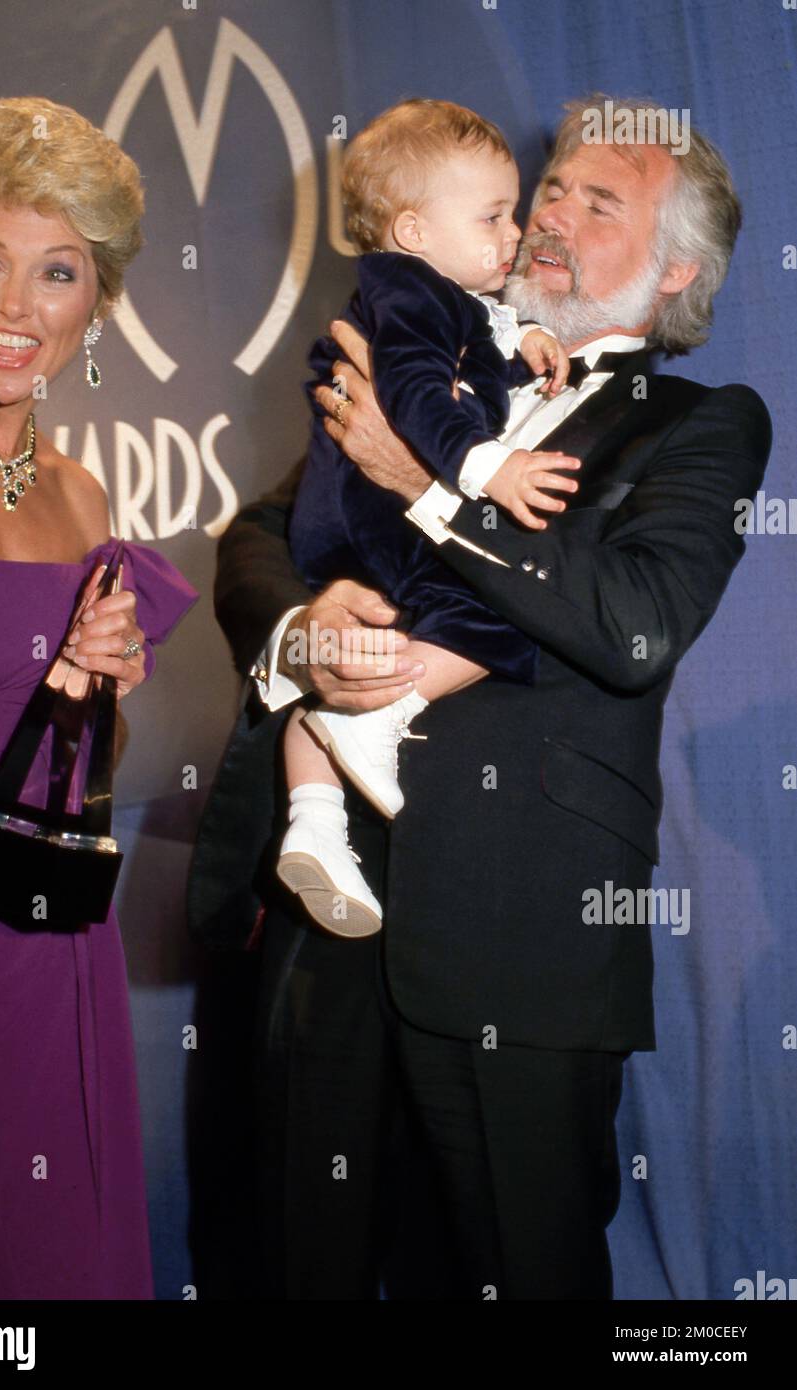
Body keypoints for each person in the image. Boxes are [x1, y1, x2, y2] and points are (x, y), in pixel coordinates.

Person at [189, 94, 772, 1301]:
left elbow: (628, 625)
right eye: (547, 187)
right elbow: (256, 535)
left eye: (593, 201)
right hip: (329, 917)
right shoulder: (436, 353)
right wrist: (305, 627)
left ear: (674, 272)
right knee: (302, 1263)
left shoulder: (700, 429)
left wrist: (429, 488)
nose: (550, 211)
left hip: (523, 944)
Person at [0, 96, 197, 1299]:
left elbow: (81, 746)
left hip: (48, 926)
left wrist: (96, 679)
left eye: (56, 273)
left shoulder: (81, 495)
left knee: (55, 1238)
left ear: (98, 299)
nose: (16, 309)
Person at [279, 98, 581, 939]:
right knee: (494, 612)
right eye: (491, 215)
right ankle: (379, 713)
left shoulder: (436, 296)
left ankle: (314, 822)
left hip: (348, 524)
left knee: (325, 686)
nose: (515, 231)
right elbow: (412, 393)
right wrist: (491, 465)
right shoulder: (408, 293)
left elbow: (461, 355)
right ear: (411, 231)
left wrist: (518, 340)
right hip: (375, 515)